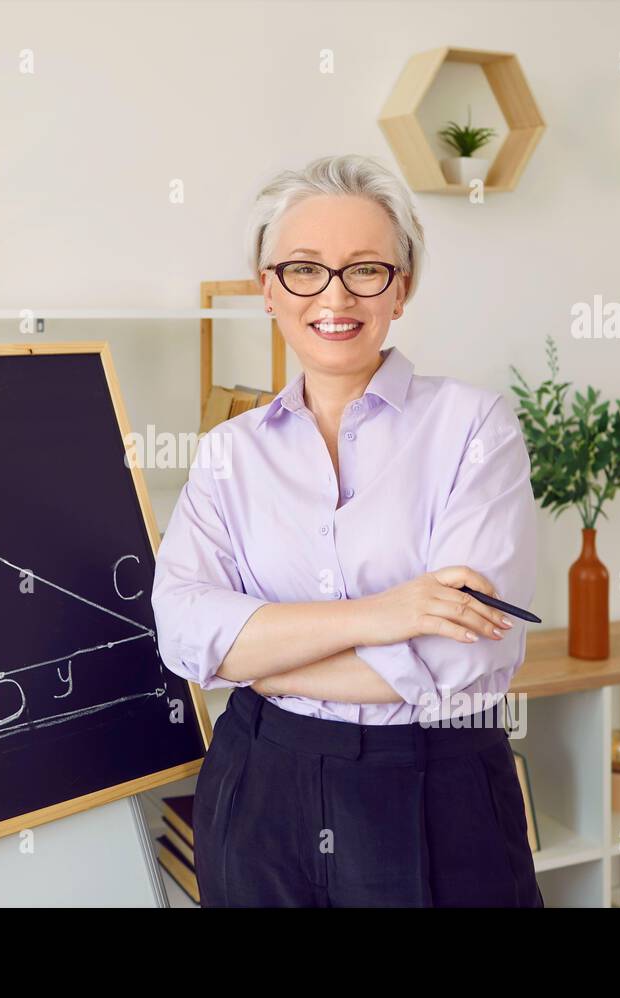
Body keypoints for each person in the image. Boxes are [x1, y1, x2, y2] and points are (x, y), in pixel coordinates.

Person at [150, 153, 543, 907]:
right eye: (303, 269)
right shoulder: (230, 450)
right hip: (260, 783)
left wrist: (255, 660)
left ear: (403, 287)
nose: (334, 295)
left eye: (365, 269)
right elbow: (184, 630)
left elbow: (457, 657)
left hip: (438, 782)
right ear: (268, 288)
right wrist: (382, 615)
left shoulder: (474, 427)